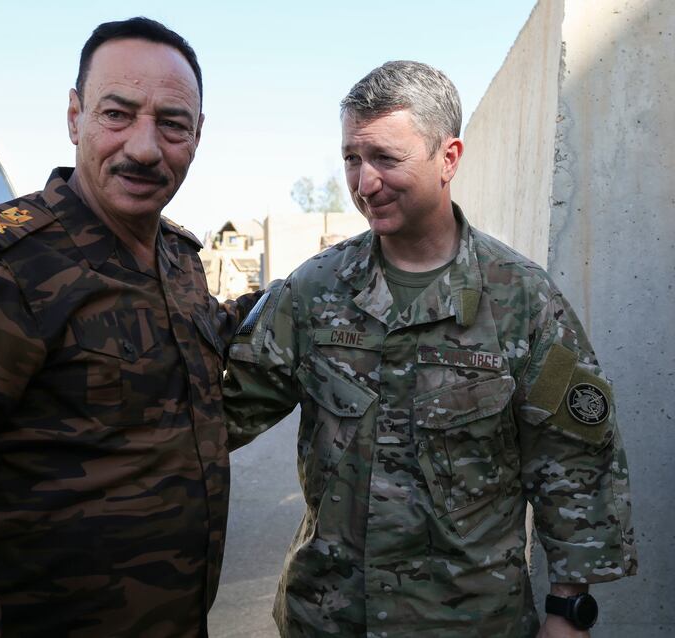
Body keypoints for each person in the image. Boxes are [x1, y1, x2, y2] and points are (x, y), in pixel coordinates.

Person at [223, 61, 637, 637]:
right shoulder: (313, 291)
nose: (364, 183)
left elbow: (574, 461)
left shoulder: (521, 299)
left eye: (386, 159)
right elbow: (219, 415)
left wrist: (568, 612)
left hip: (470, 622)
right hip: (329, 618)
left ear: (449, 158)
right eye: (351, 158)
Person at [0, 17, 258, 638]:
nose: (143, 146)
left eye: (171, 123)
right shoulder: (2, 265)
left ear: (197, 134)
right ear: (75, 116)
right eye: (117, 114)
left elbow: (200, 343)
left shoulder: (181, 262)